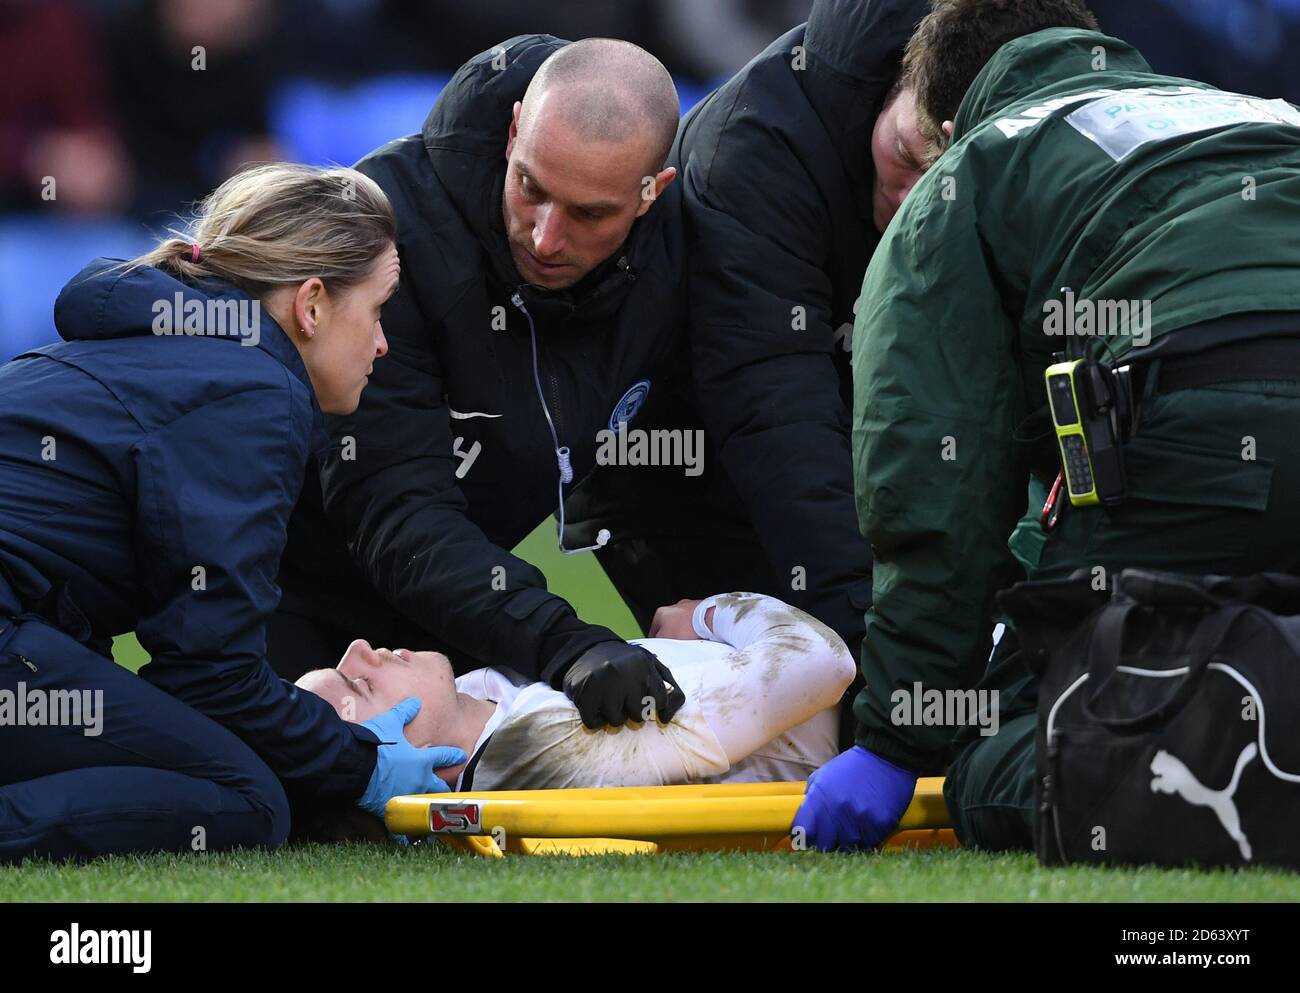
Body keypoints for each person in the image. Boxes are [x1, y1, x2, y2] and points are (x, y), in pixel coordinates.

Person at [796, 0, 1300, 851]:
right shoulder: (1261, 114)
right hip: (1195, 407)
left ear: (950, 122)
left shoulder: (976, 166)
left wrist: (896, 737)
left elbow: (931, 472)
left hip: (1198, 424)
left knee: (1010, 741)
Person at [271, 35, 767, 730]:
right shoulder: (385, 235)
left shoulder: (683, 258)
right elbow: (394, 508)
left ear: (653, 193)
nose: (544, 236)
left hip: (446, 623)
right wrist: (563, 642)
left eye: (589, 213)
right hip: (286, 596)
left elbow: (678, 469)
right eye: (531, 187)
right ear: (512, 134)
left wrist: (714, 630)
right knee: (285, 803)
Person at [0, 163, 465, 862]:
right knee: (246, 799)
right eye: (377, 309)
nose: (382, 343)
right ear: (311, 304)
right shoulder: (254, 392)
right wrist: (361, 764)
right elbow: (209, 672)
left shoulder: (190, 348)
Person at [669, 0, 932, 748]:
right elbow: (775, 415)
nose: (916, 198)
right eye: (907, 156)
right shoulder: (751, 152)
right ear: (885, 93)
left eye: (942, 176)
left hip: (848, 449)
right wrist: (876, 659)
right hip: (704, 475)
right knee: (767, 728)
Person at [296, 593, 854, 793]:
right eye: (360, 684)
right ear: (397, 752)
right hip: (870, 707)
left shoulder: (484, 704)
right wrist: (707, 613)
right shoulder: (545, 745)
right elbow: (821, 664)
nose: (361, 648)